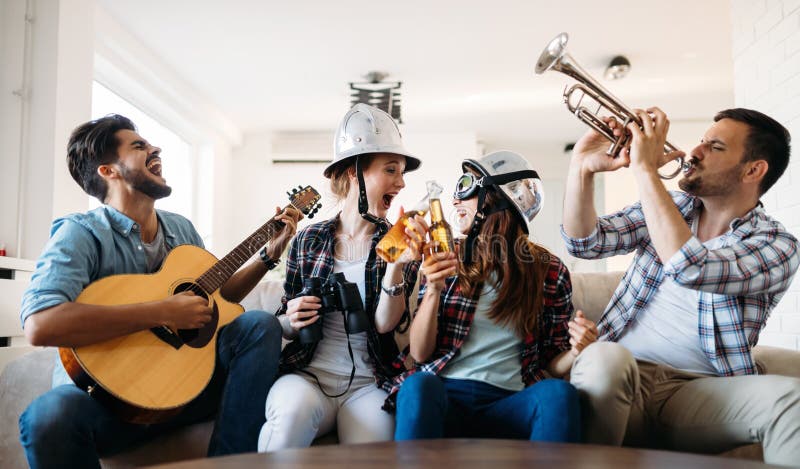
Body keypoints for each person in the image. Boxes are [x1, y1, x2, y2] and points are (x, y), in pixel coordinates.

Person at [18, 114, 301, 468]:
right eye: (139, 146)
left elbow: (220, 298)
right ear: (109, 171)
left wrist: (267, 256)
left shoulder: (180, 229)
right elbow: (40, 324)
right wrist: (162, 311)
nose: (156, 148)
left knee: (259, 325)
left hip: (189, 392)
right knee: (47, 415)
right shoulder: (80, 234)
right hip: (109, 405)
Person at [562, 107, 800, 465]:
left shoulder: (777, 245)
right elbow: (587, 243)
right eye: (702, 141)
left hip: (696, 393)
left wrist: (645, 171)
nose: (694, 152)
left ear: (753, 170)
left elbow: (689, 267)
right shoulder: (673, 205)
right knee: (607, 357)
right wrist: (581, 170)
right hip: (621, 374)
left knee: (792, 400)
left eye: (715, 147)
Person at [390, 151, 593, 442]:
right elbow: (420, 354)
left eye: (466, 186)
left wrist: (576, 351)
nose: (455, 200)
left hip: (510, 403)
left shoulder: (548, 271)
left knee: (559, 394)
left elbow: (551, 362)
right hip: (447, 398)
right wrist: (433, 288)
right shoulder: (446, 254)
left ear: (495, 198)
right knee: (418, 386)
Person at [257, 104, 424, 451]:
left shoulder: (396, 240)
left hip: (368, 382)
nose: (402, 181)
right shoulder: (309, 238)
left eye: (403, 171)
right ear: (354, 172)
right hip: (309, 376)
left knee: (372, 452)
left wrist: (396, 263)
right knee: (289, 418)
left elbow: (383, 325)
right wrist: (291, 317)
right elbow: (284, 320)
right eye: (391, 169)